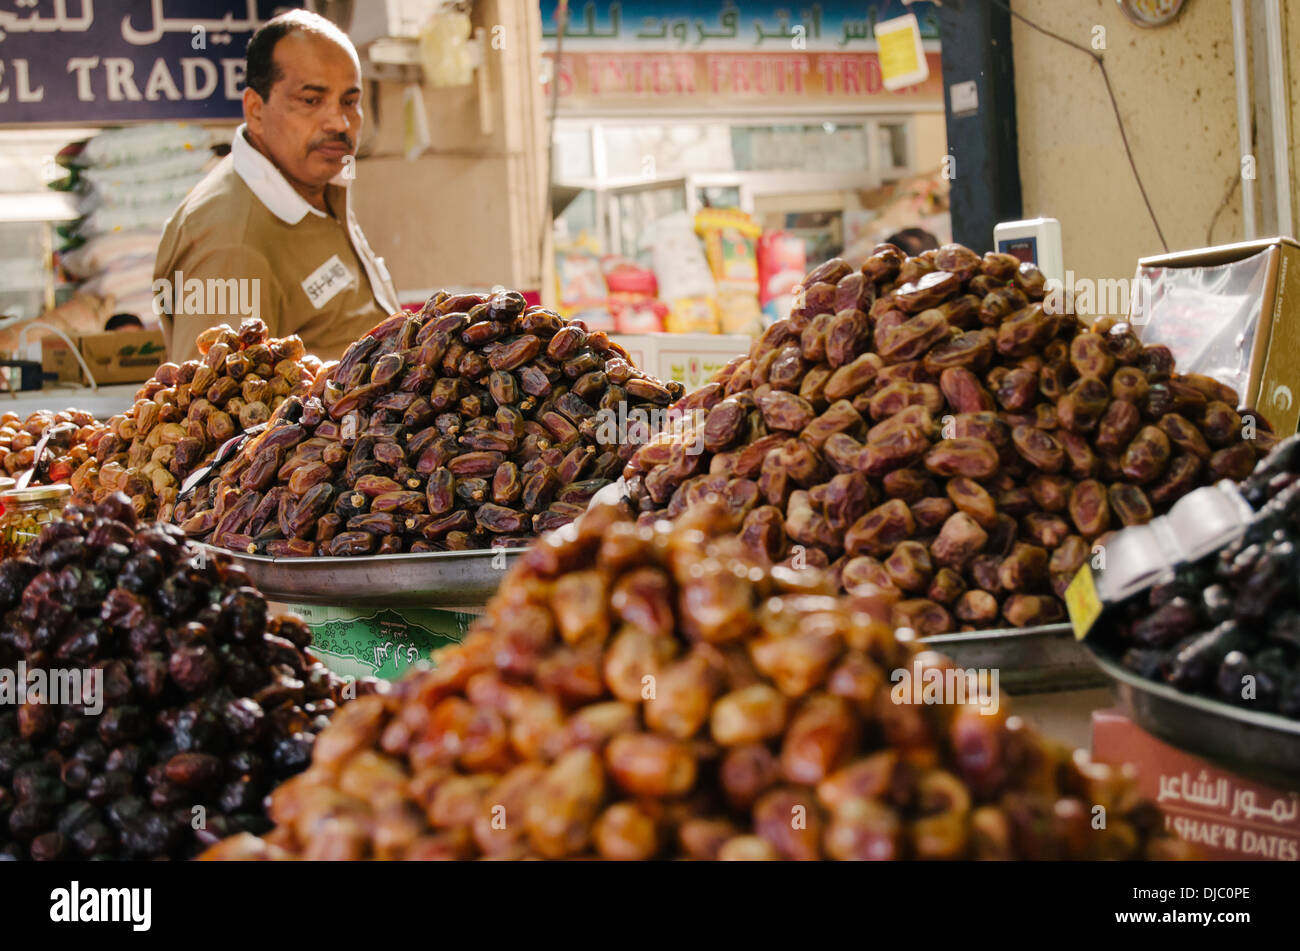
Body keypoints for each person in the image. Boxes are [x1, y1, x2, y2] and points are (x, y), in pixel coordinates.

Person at [155, 10, 399, 362]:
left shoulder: (315, 186)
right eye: (311, 100)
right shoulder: (229, 240)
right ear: (255, 109)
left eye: (349, 101)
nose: (339, 121)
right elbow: (217, 407)